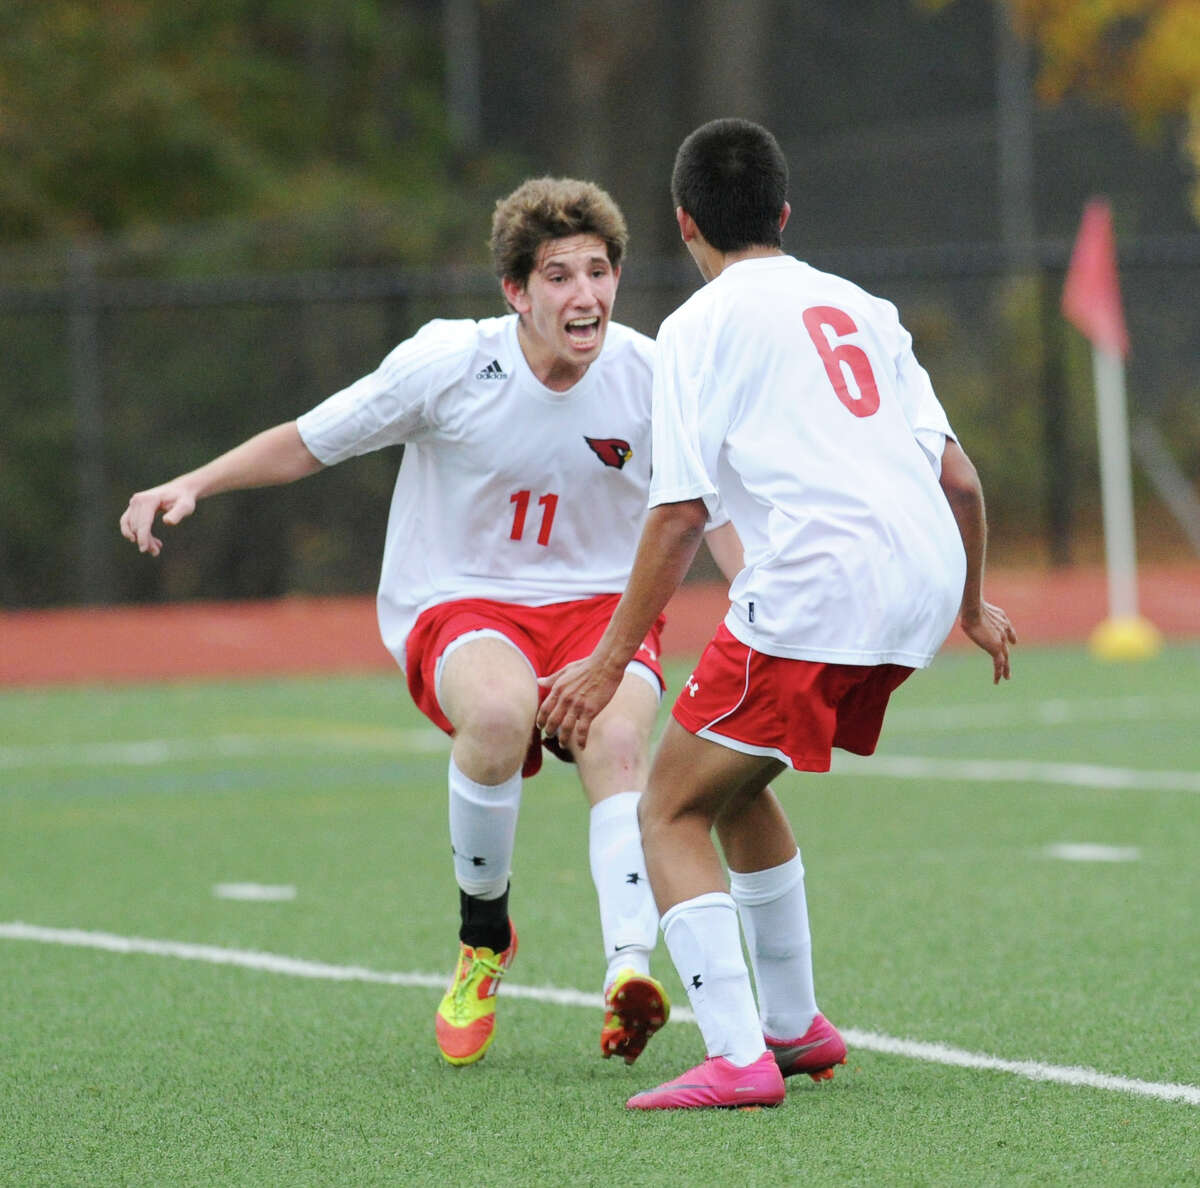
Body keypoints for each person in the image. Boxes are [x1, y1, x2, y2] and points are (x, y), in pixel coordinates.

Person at [120, 176, 742, 1071]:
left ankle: (627, 977)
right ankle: (484, 940)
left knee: (613, 744)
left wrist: (765, 587)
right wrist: (192, 484)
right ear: (515, 293)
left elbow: (706, 505)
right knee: (497, 714)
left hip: (602, 608)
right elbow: (308, 440)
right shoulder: (449, 363)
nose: (585, 295)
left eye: (599, 272)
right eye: (559, 275)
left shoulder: (652, 375)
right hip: (464, 596)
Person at [538, 119, 1017, 1110]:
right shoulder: (865, 307)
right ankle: (796, 1028)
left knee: (664, 812)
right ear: (786, 215)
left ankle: (739, 1056)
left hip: (818, 581)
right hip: (921, 578)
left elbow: (677, 517)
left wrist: (602, 664)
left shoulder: (696, 330)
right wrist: (969, 605)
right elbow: (960, 478)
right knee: (734, 781)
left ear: (684, 226)